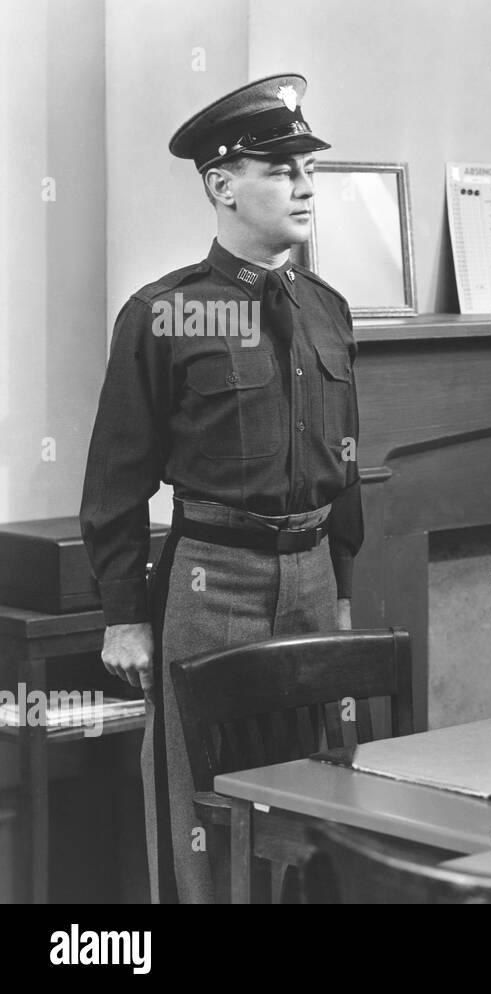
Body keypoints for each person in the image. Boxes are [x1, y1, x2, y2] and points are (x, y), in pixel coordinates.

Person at [80, 73, 362, 902]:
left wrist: (342, 589)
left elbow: (343, 461)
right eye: (281, 169)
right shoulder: (165, 313)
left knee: (312, 795)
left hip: (312, 576)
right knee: (197, 803)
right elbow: (114, 481)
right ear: (221, 185)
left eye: (308, 168)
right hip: (212, 579)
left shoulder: (326, 309)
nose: (305, 186)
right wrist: (124, 613)